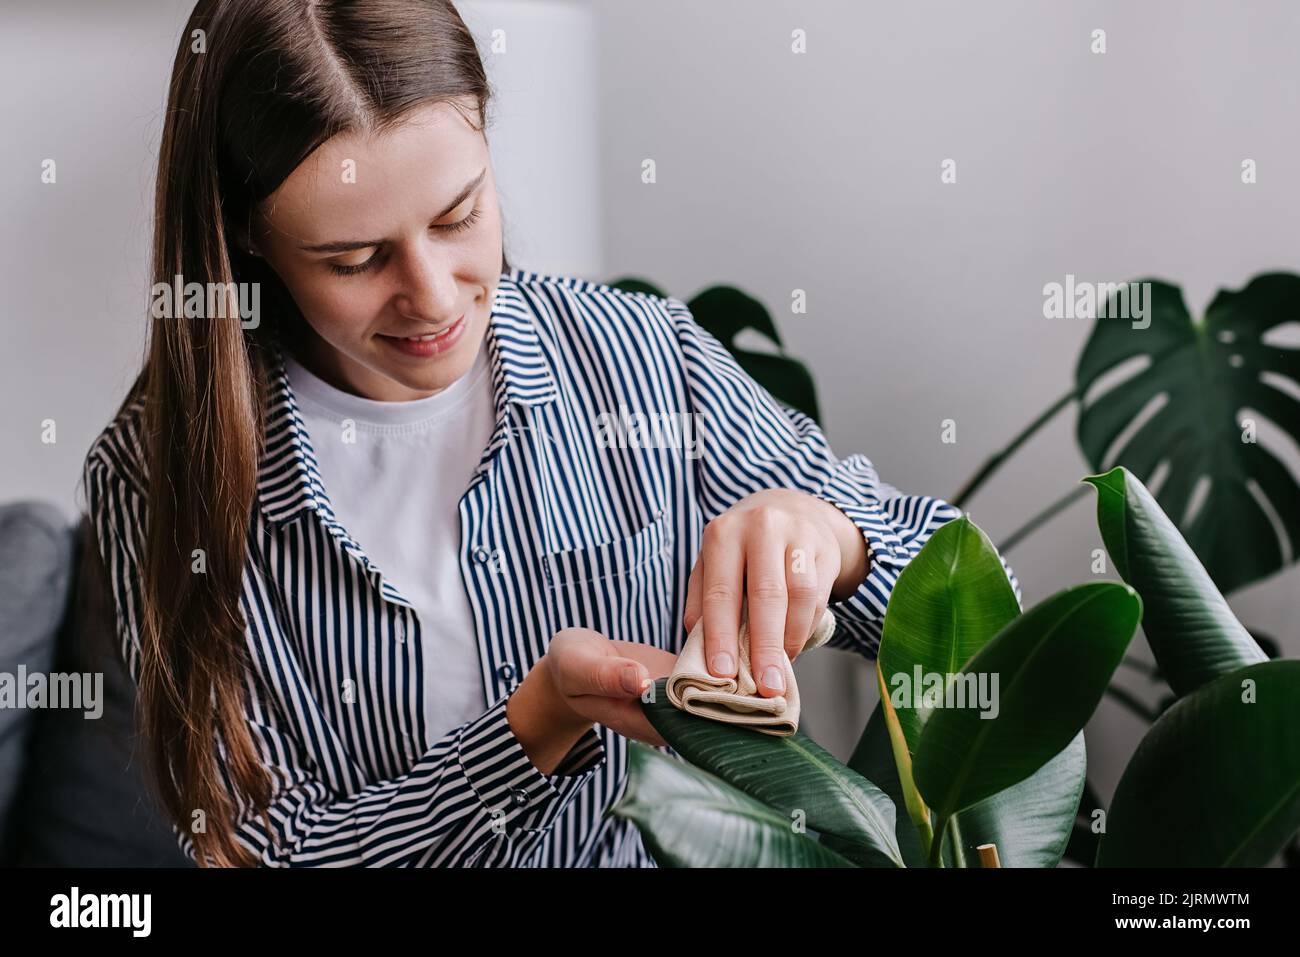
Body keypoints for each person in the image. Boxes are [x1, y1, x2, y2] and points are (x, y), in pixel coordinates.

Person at [83, 0, 1019, 867]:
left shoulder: (637, 358)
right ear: (246, 235)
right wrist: (539, 720)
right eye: (356, 259)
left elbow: (993, 608)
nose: (436, 296)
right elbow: (258, 850)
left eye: (460, 215)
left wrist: (835, 542)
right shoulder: (154, 475)